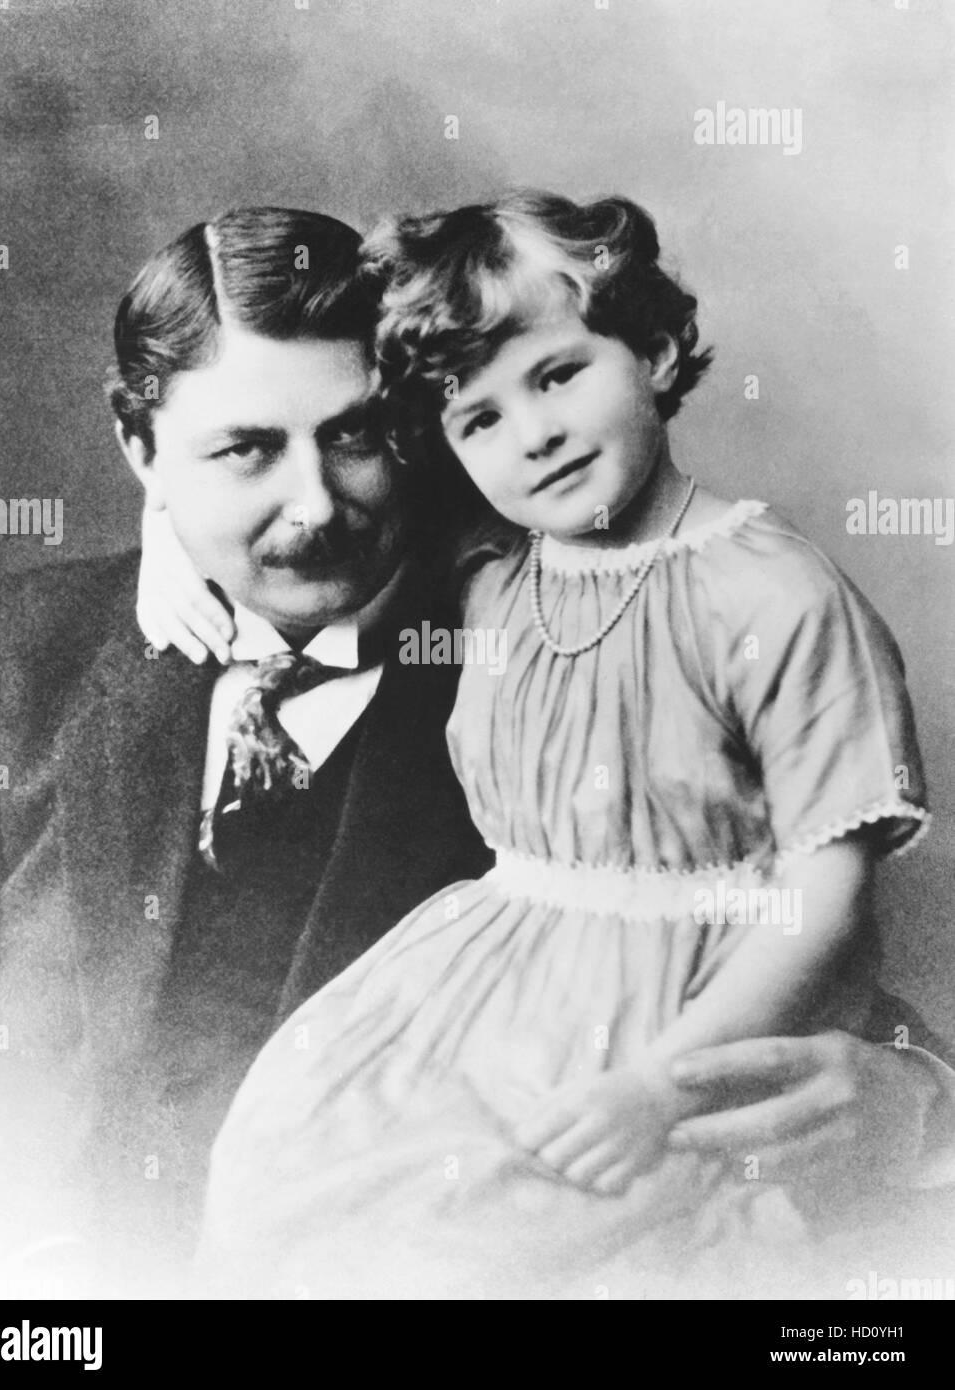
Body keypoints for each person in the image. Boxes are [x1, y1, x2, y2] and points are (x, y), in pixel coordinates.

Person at [158, 191, 949, 1298]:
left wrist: (662, 1088)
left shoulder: (775, 593)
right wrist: (168, 507)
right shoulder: (491, 572)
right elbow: (318, 498)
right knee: (287, 1165)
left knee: (495, 1246)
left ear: (657, 348)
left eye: (558, 375)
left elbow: (824, 902)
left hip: (676, 1026)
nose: (530, 434)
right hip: (472, 1002)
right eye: (477, 419)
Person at [0, 207, 492, 1294]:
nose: (315, 506)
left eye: (355, 435)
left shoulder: (536, 662)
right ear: (137, 441)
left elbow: (758, 983)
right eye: (246, 448)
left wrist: (910, 1087)